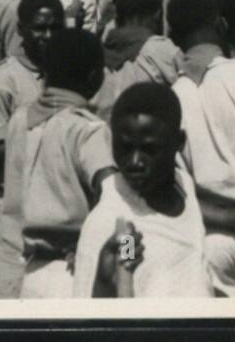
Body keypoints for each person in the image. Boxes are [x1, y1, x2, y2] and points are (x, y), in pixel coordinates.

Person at [73, 82, 214, 298]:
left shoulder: (182, 184)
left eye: (149, 149)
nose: (135, 162)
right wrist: (104, 283)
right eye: (125, 148)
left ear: (179, 142)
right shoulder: (110, 222)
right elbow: (88, 319)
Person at [4, 29, 116, 298]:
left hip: (29, 272)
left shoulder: (20, 120)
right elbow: (114, 202)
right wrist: (126, 256)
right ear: (94, 77)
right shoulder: (88, 129)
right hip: (74, 271)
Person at [167, 0, 235, 297]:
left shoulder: (171, 98)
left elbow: (177, 187)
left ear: (172, 36)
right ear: (221, 25)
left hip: (211, 238)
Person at [0, 0, 66, 299]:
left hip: (62, 214)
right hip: (12, 214)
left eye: (55, 28)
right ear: (22, 30)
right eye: (39, 28)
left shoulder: (69, 76)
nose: (48, 36)